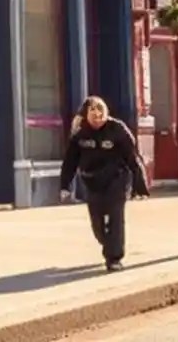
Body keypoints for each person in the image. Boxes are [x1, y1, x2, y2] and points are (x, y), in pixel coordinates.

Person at [60, 96, 150, 272]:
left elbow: (133, 158)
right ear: (86, 115)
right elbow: (70, 162)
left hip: (117, 179)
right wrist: (65, 186)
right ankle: (107, 242)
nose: (97, 115)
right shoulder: (80, 134)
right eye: (92, 111)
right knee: (97, 223)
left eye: (100, 110)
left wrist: (140, 186)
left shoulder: (117, 129)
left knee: (116, 217)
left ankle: (114, 258)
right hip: (92, 181)